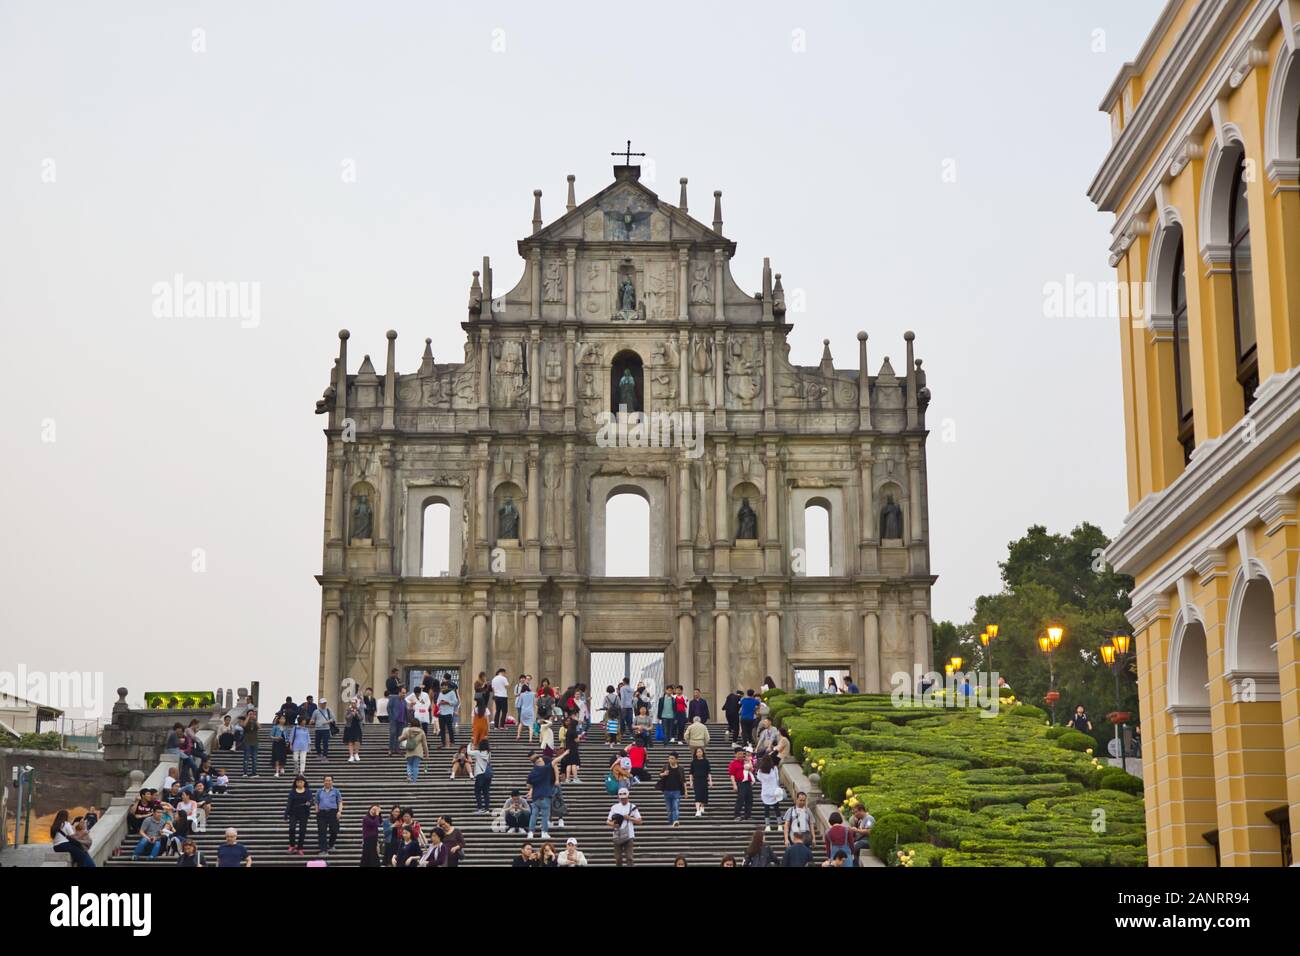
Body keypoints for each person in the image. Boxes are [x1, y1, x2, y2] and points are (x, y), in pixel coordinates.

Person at [607, 787, 641, 867]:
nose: (623, 800)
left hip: (629, 835)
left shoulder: (632, 807)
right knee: (618, 858)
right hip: (617, 835)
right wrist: (613, 824)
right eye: (621, 798)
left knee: (629, 857)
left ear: (628, 797)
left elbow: (640, 821)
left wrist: (629, 818)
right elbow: (608, 821)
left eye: (624, 798)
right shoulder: (614, 807)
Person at [525, 751, 556, 839]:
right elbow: (555, 762)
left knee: (534, 815)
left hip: (535, 797)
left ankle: (531, 832)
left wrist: (531, 790)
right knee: (545, 815)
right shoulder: (545, 769)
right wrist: (564, 754)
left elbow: (529, 785)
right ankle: (544, 832)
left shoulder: (532, 772)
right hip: (545, 795)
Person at [314, 774, 342, 856]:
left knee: (334, 830)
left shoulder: (336, 791)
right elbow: (316, 801)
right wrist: (316, 809)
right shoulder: (319, 791)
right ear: (323, 781)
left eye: (329, 780)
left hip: (333, 812)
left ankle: (331, 844)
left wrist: (339, 811)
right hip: (322, 813)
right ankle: (323, 850)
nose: (328, 782)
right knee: (322, 831)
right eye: (326, 780)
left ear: (332, 781)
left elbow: (340, 802)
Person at [285, 775, 313, 855]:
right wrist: (286, 813)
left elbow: (311, 801)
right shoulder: (292, 791)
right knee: (292, 829)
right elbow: (289, 803)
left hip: (304, 813)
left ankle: (300, 847)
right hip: (293, 813)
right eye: (298, 782)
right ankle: (292, 845)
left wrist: (309, 803)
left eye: (301, 782)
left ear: (304, 782)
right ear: (295, 783)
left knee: (302, 831)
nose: (299, 783)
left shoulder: (308, 791)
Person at [657, 751, 686, 827]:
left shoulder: (680, 768)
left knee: (676, 808)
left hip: (677, 791)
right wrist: (664, 774)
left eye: (672, 758)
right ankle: (671, 822)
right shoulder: (666, 767)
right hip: (667, 791)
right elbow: (659, 775)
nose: (670, 760)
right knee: (669, 809)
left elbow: (684, 780)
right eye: (669, 758)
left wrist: (686, 791)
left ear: (676, 760)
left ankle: (675, 821)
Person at [398, 715, 428, 782]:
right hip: (418, 752)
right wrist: (426, 753)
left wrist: (397, 738)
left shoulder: (408, 731)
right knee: (415, 766)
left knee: (409, 764)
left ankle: (409, 775)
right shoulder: (422, 732)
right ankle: (414, 781)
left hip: (410, 751)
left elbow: (401, 738)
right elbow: (424, 744)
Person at [468, 739, 493, 813]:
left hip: (480, 775)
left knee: (477, 791)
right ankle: (487, 808)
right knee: (486, 792)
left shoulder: (478, 753)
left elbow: (469, 752)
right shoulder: (489, 753)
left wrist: (470, 744)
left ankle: (480, 808)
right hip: (487, 775)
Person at [729, 746, 755, 821]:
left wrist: (749, 764)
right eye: (739, 754)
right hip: (740, 782)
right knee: (741, 798)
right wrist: (734, 785)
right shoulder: (733, 763)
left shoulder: (746, 761)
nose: (741, 755)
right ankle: (737, 815)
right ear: (735, 754)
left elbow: (752, 770)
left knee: (749, 798)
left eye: (742, 754)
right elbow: (732, 775)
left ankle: (748, 815)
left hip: (748, 782)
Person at [436, 680, 459, 747]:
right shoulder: (440, 693)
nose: (443, 689)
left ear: (447, 686)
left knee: (450, 728)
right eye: (442, 687)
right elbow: (437, 702)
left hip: (448, 713)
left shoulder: (452, 693)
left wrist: (447, 702)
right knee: (442, 729)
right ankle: (443, 742)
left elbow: (455, 702)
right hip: (441, 713)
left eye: (444, 687)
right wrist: (440, 703)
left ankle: (452, 741)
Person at [387, 685, 407, 754]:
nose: (404, 694)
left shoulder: (404, 701)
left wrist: (405, 721)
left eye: (405, 693)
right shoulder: (393, 698)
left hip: (401, 721)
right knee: (393, 733)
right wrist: (391, 717)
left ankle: (397, 749)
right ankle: (390, 749)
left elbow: (405, 711)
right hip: (394, 720)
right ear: (399, 692)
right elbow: (389, 708)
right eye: (403, 692)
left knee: (399, 735)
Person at [240, 709, 259, 776]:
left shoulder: (255, 722)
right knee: (246, 758)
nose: (251, 715)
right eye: (250, 714)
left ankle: (254, 773)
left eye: (252, 714)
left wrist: (255, 719)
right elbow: (243, 725)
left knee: (254, 758)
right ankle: (245, 772)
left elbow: (259, 727)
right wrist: (247, 717)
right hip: (247, 742)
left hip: (255, 742)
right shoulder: (245, 721)